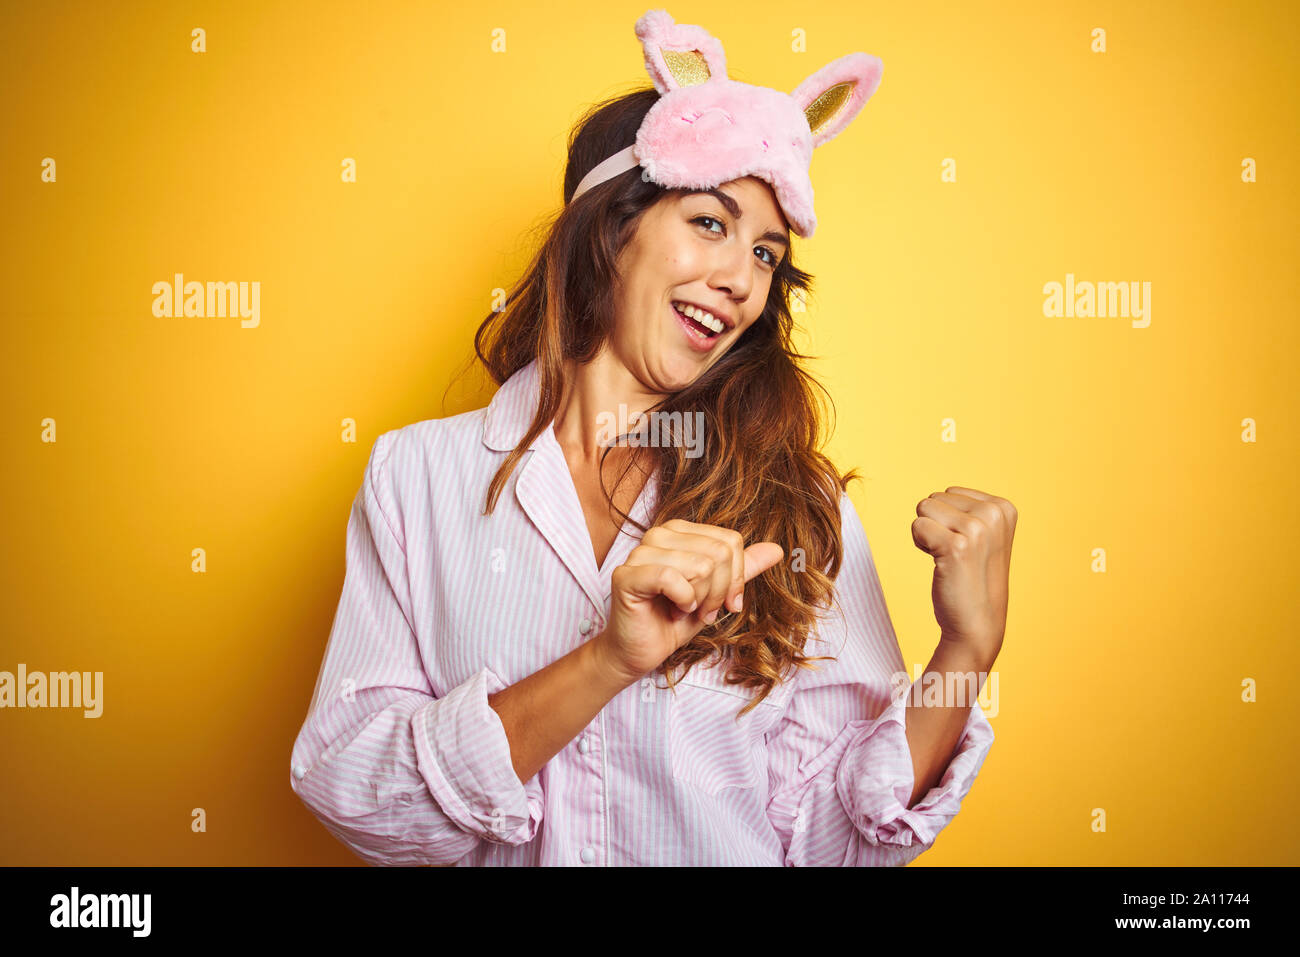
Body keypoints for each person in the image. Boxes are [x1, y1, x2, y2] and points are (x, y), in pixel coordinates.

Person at [289, 8, 1014, 866]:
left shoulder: (794, 502)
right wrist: (607, 660)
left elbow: (835, 837)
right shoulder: (416, 477)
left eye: (767, 255)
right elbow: (356, 791)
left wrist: (968, 648)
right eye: (710, 223)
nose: (741, 279)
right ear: (612, 229)